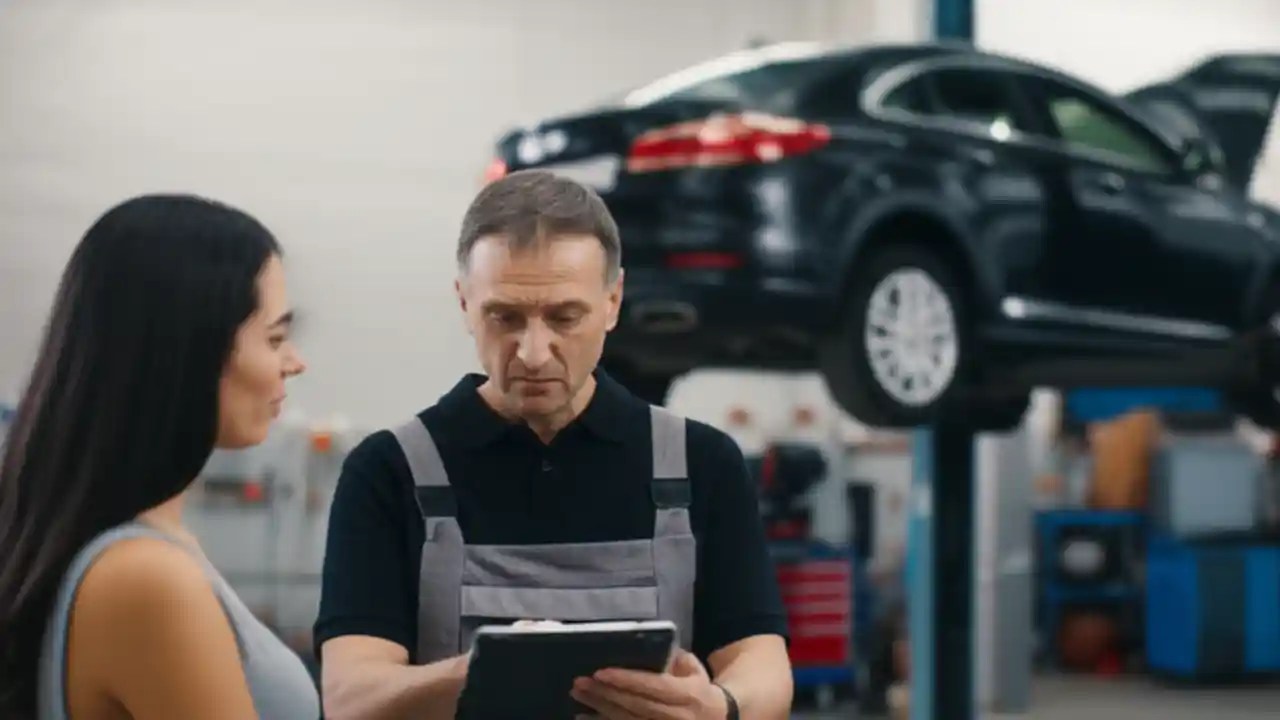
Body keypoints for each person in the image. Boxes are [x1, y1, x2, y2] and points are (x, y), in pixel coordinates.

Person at [316, 170, 794, 719]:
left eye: (564, 318)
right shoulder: (389, 471)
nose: (534, 353)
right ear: (464, 302)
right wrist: (495, 666)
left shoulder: (701, 465)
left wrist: (723, 706)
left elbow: (763, 666)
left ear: (613, 301)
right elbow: (350, 698)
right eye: (505, 317)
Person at [0, 194, 319, 720]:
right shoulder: (147, 578)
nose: (294, 362)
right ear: (191, 351)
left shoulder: (151, 547)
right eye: (274, 338)